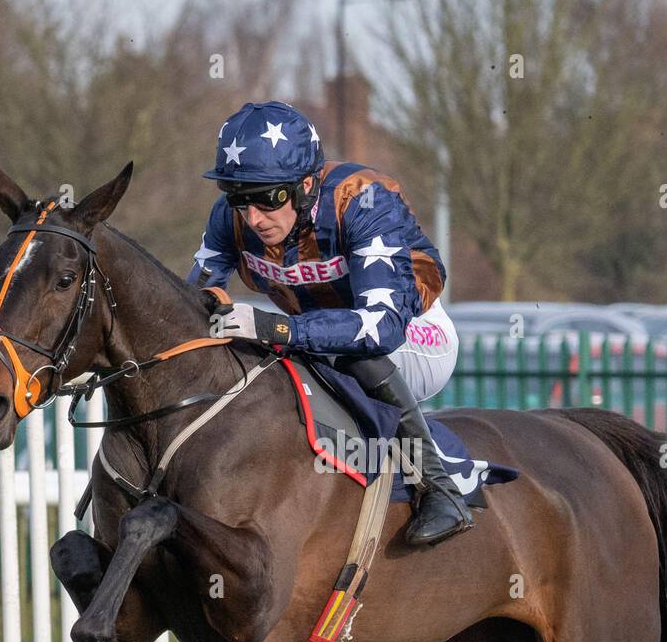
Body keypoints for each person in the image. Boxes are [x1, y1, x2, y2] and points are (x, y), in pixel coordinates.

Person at [186, 100, 472, 548]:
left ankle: (441, 489)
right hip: (325, 336)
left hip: (415, 335)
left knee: (345, 350)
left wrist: (277, 329)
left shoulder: (364, 199)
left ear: (305, 185)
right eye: (239, 198)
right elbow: (193, 301)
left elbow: (380, 328)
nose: (254, 217)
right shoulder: (231, 218)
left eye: (269, 198)